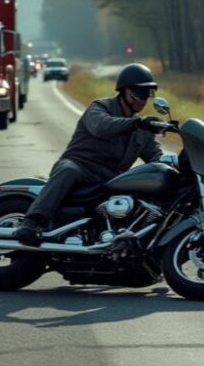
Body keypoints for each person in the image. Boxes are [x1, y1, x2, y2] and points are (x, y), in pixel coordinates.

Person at [15, 63, 166, 245]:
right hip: (81, 167)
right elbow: (101, 126)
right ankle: (31, 222)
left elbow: (155, 156)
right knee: (68, 170)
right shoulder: (100, 107)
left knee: (142, 188)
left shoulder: (142, 130)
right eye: (139, 93)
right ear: (124, 91)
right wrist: (137, 123)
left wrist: (175, 164)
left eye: (147, 94)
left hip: (110, 179)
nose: (143, 100)